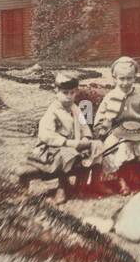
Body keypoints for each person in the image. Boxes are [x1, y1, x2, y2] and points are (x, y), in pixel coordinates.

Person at [92, 56, 140, 194]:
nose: (125, 82)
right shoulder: (110, 97)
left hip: (135, 132)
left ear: (135, 78)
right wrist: (107, 121)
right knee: (122, 145)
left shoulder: (138, 98)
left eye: (129, 78)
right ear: (114, 78)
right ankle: (121, 181)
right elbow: (99, 121)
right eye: (121, 79)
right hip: (114, 132)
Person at [28, 72, 95, 204]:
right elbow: (46, 134)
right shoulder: (53, 111)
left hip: (74, 145)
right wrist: (67, 142)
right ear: (56, 91)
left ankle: (82, 185)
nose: (69, 96)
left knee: (96, 146)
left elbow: (84, 125)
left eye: (72, 93)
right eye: (65, 93)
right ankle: (62, 187)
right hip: (51, 148)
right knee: (67, 154)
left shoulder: (76, 108)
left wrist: (86, 137)